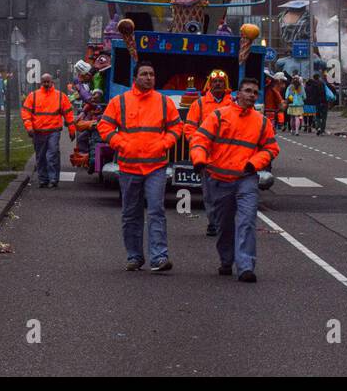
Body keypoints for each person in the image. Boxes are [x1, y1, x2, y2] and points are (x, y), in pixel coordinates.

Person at [190, 76, 280, 282]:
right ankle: (226, 260)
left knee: (247, 221)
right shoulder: (218, 116)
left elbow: (271, 148)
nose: (251, 95)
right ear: (237, 94)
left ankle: (246, 266)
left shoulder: (261, 122)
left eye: (254, 93)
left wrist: (253, 163)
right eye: (247, 91)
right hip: (219, 178)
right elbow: (200, 139)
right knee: (224, 225)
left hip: (246, 178)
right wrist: (199, 160)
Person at [98, 62, 181, 271]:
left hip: (156, 167)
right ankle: (134, 256)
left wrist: (164, 144)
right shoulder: (120, 102)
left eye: (151, 74)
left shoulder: (164, 102)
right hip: (129, 167)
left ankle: (159, 258)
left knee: (156, 211)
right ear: (135, 78)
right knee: (130, 213)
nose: (148, 77)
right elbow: (104, 126)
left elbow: (177, 126)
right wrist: (121, 144)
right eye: (144, 74)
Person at [183, 69, 235, 237]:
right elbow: (189, 127)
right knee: (209, 193)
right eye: (215, 82)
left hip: (229, 157)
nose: (218, 84)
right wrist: (197, 145)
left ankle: (225, 222)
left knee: (229, 194)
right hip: (208, 157)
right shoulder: (199, 104)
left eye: (221, 81)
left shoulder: (233, 103)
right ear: (209, 84)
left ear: (225, 84)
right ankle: (213, 223)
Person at [22, 73, 76, 189]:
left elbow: (68, 114)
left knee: (52, 155)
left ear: (52, 82)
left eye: (48, 81)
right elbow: (26, 113)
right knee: (41, 156)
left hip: (53, 131)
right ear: (41, 83)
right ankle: (43, 180)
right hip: (38, 131)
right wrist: (29, 127)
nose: (46, 84)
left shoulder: (60, 96)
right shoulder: (33, 96)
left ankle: (53, 179)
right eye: (44, 82)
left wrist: (72, 130)